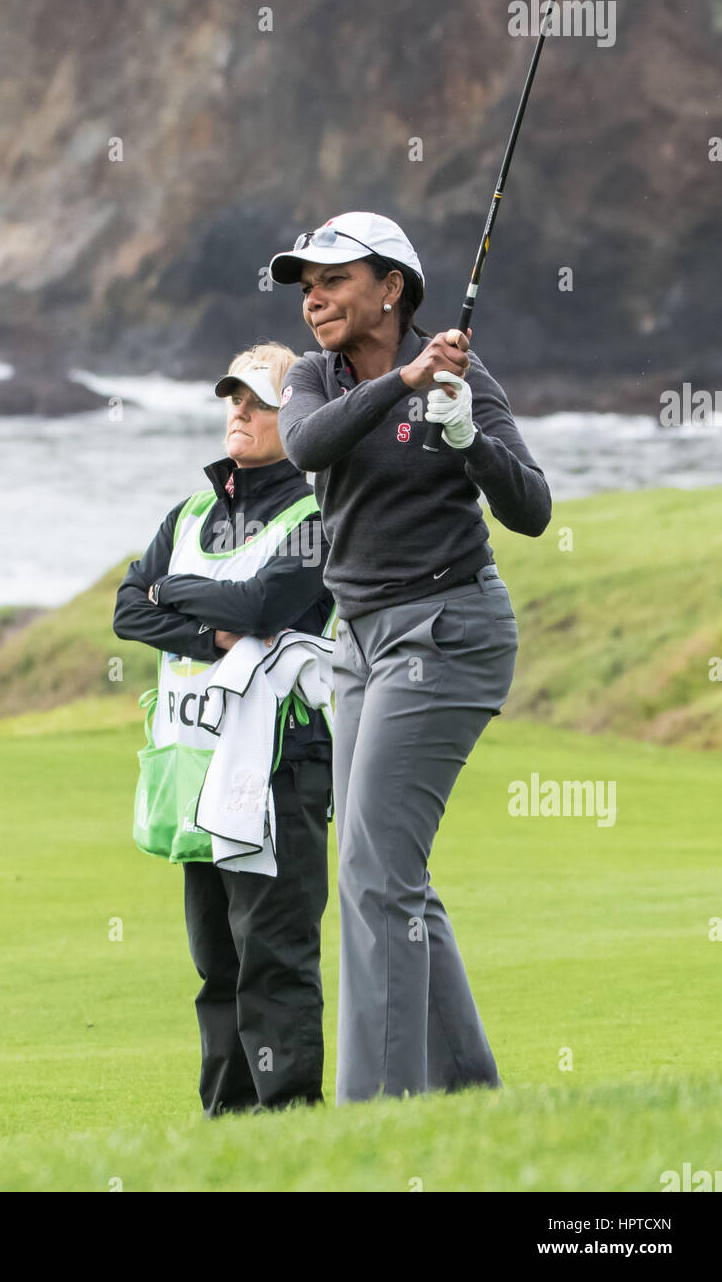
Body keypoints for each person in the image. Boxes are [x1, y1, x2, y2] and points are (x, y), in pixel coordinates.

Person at [268, 212, 552, 1105]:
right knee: (388, 873)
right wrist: (404, 380)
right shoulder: (316, 377)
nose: (314, 298)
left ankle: (375, 1115)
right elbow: (305, 444)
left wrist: (469, 440)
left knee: (373, 870)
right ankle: (469, 1092)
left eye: (334, 278)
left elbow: (534, 507)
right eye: (305, 284)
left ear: (391, 287)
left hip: (446, 632)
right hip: (360, 644)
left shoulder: (464, 378)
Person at [113, 342, 336, 1116]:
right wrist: (208, 629)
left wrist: (177, 592)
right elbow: (127, 610)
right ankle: (229, 1129)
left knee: (272, 958)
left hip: (279, 768)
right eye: (233, 398)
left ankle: (289, 1124)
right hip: (198, 766)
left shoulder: (317, 515)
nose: (238, 411)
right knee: (217, 963)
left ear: (298, 419)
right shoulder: (191, 513)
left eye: (259, 401)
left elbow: (262, 610)